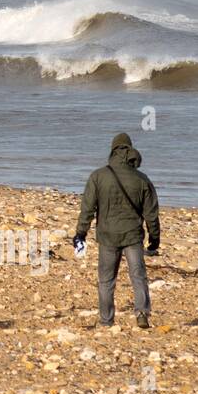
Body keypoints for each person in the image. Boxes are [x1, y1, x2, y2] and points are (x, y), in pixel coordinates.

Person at [74, 131, 161, 329]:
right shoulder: (142, 179)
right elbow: (151, 214)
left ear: (112, 151)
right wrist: (154, 239)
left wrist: (81, 233)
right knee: (138, 276)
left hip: (107, 236)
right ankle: (141, 313)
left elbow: (87, 209)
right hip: (132, 235)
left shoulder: (98, 176)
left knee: (106, 280)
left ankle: (106, 320)